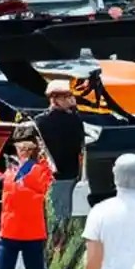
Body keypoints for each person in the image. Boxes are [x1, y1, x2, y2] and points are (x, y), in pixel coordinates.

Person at [0, 138, 55, 269]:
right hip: (9, 232)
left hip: (31, 234)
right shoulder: (11, 169)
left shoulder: (41, 169)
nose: (19, 151)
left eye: (24, 148)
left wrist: (27, 169)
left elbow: (41, 187)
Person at [32, 80, 85, 223]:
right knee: (62, 217)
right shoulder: (74, 120)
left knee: (49, 216)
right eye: (67, 97)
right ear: (57, 99)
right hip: (68, 175)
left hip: (46, 175)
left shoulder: (39, 121)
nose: (70, 100)